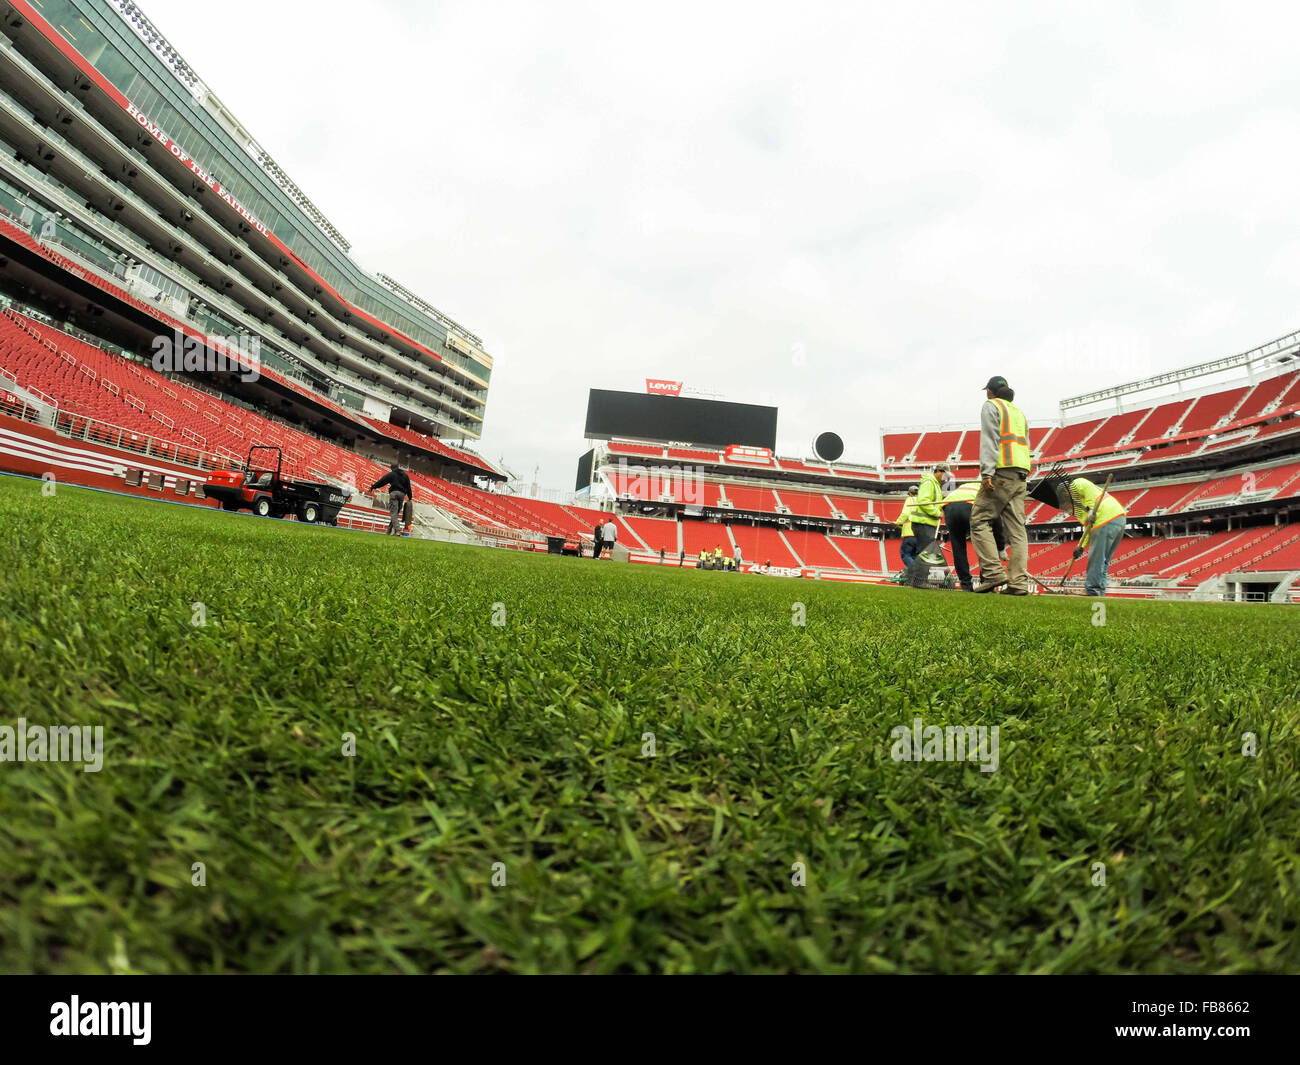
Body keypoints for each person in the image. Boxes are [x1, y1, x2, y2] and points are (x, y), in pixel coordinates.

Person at [971, 375, 1031, 594]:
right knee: (1017, 531)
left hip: (1001, 472)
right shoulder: (1018, 413)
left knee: (979, 520)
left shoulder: (991, 406)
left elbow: (990, 439)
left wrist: (986, 472)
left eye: (987, 389)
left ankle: (994, 573)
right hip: (1021, 474)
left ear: (991, 391)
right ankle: (1018, 583)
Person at [1065, 477, 1126, 595]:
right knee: (1104, 560)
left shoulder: (1077, 483)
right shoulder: (1078, 509)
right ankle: (1099, 590)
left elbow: (1088, 490)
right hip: (1118, 518)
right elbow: (1088, 528)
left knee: (1096, 558)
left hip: (1105, 519)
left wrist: (1091, 510)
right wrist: (1080, 546)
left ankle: (1092, 590)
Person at [942, 480, 1007, 591]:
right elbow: (997, 522)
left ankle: (966, 585)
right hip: (970, 505)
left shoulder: (966, 486)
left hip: (949, 506)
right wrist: (1001, 547)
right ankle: (987, 582)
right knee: (985, 542)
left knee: (958, 548)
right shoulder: (990, 490)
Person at [906, 464, 946, 587]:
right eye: (944, 473)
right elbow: (924, 501)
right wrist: (937, 513)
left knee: (922, 552)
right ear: (938, 472)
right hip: (924, 523)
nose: (945, 477)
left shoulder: (934, 484)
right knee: (926, 552)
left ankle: (911, 580)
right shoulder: (930, 482)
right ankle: (920, 581)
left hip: (925, 524)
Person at [367, 463, 412, 536]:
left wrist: (373, 487)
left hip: (394, 493)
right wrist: (410, 497)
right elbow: (409, 487)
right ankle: (389, 531)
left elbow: (382, 481)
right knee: (395, 514)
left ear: (392, 468)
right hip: (402, 495)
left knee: (393, 513)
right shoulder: (405, 475)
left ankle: (397, 530)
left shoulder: (392, 474)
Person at [894, 486, 919, 582]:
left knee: (905, 554)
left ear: (910, 493)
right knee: (914, 556)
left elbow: (905, 513)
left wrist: (898, 522)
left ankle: (917, 572)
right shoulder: (923, 501)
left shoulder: (910, 499)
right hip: (920, 533)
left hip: (910, 532)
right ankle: (914, 578)